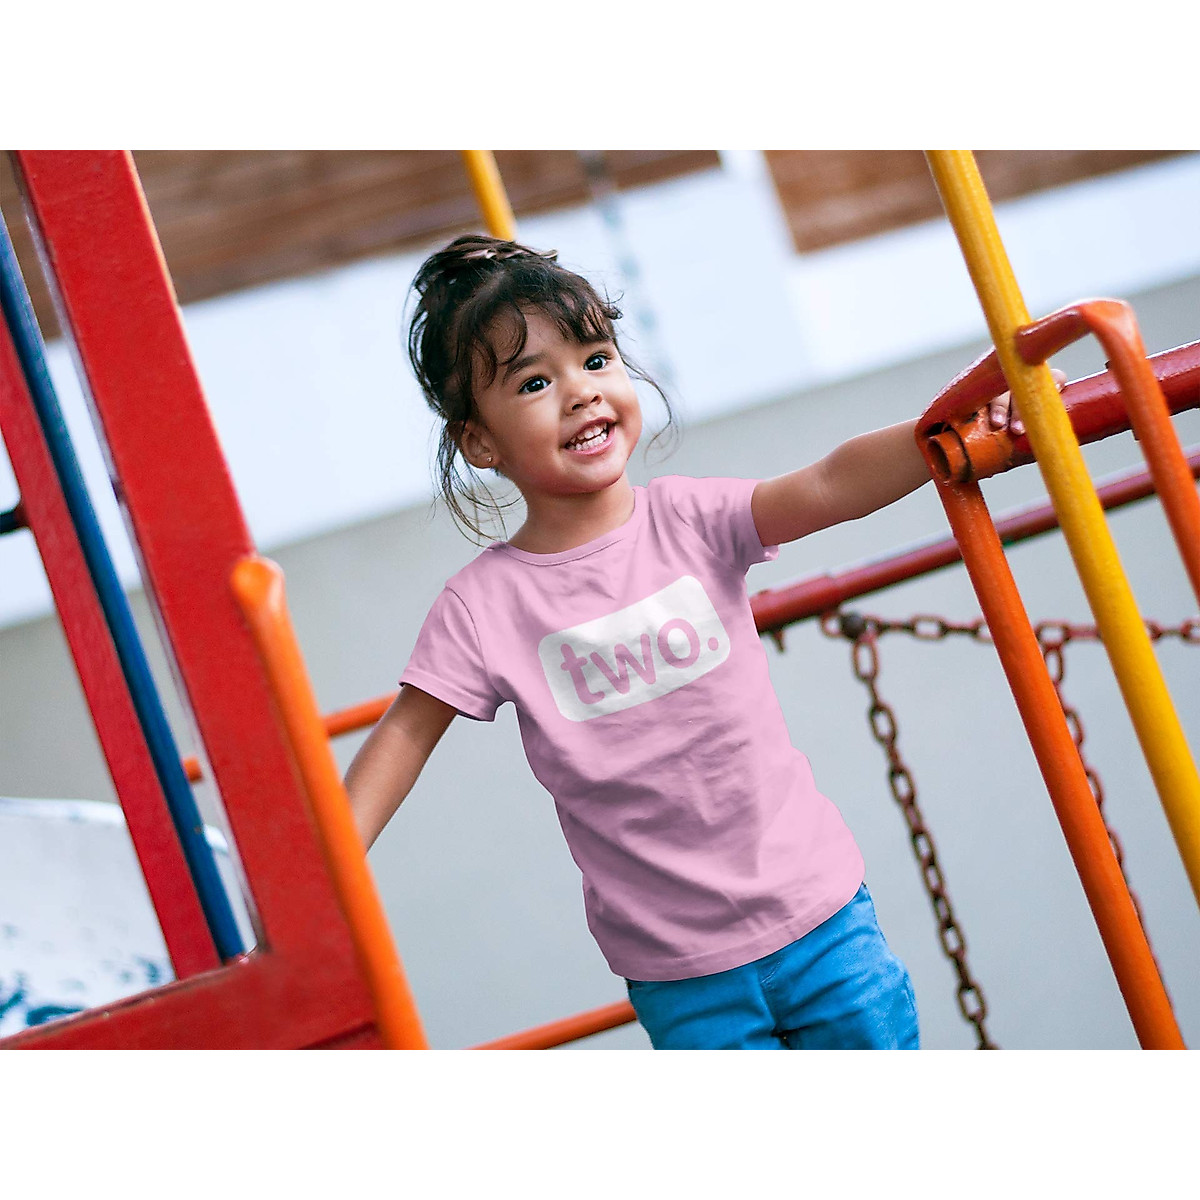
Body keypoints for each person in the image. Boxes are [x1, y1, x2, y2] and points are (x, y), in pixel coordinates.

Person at [344, 233, 1027, 1050]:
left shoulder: (690, 519)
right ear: (480, 443)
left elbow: (829, 483)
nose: (581, 392)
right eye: (534, 382)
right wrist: (329, 877)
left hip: (818, 913)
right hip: (679, 969)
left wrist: (943, 430)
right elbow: (404, 736)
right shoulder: (484, 605)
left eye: (597, 360)